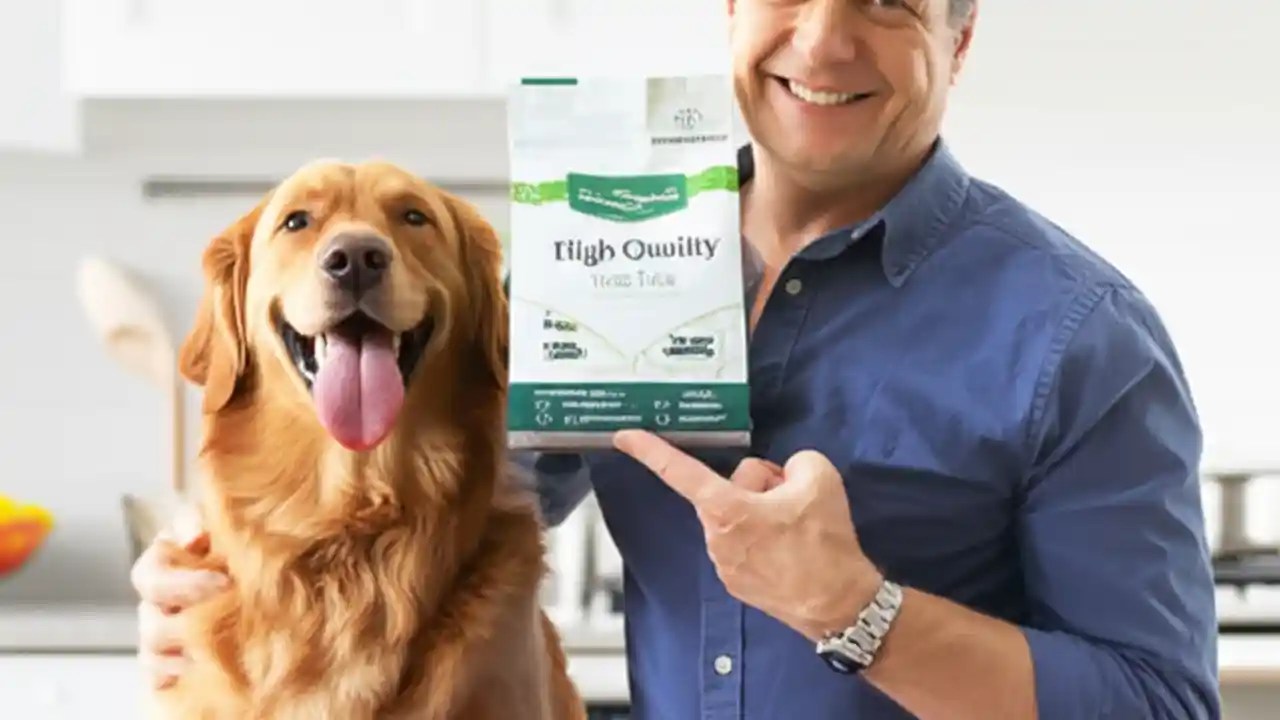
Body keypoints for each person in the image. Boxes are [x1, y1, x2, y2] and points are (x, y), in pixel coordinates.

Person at [132, 0, 1221, 718]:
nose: (823, 40)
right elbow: (438, 506)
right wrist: (208, 585)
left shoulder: (1078, 336)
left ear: (959, 37)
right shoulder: (600, 260)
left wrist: (856, 611)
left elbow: (1160, 703)